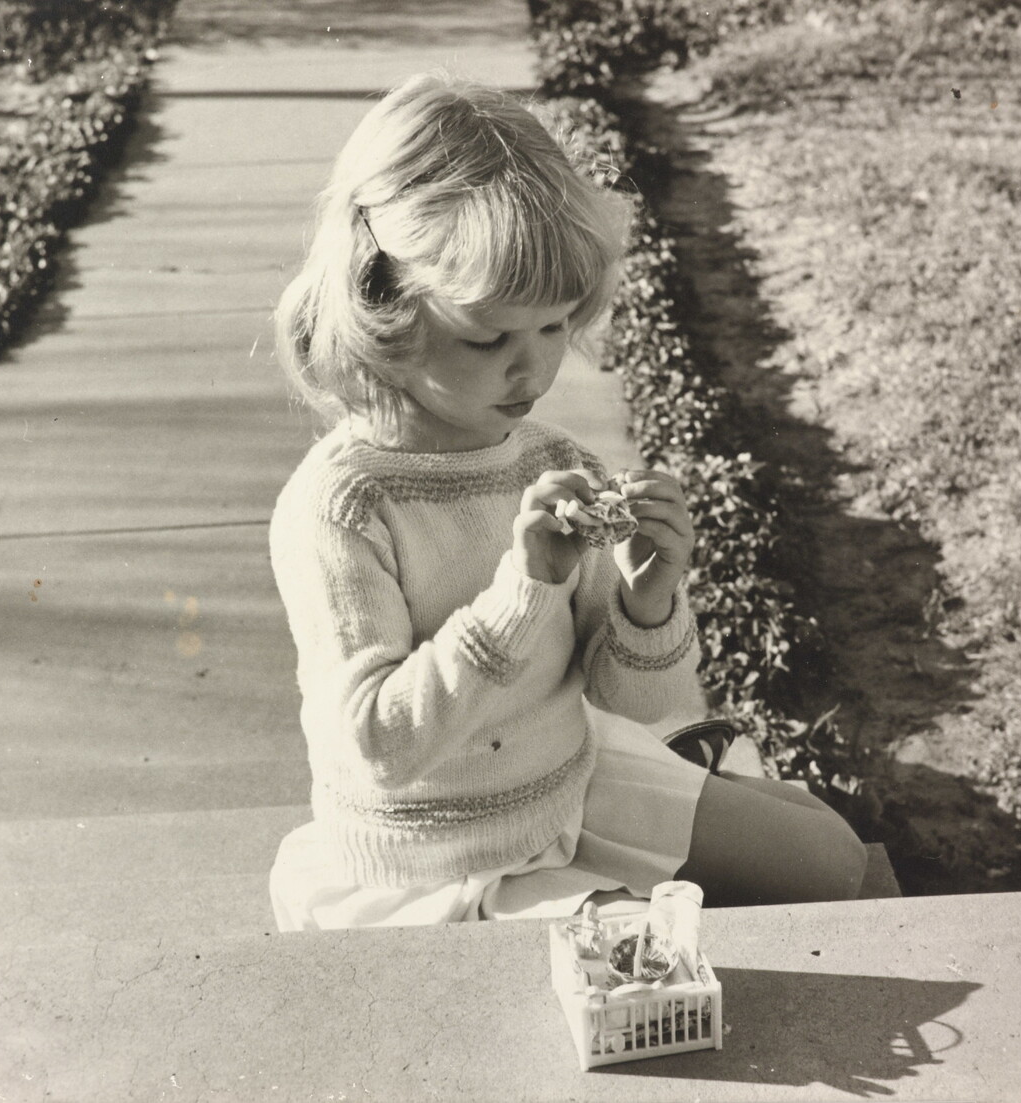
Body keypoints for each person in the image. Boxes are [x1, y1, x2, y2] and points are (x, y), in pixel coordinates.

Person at [267, 73, 867, 930]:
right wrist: (523, 593)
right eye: (489, 338)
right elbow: (380, 745)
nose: (535, 367)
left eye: (554, 327)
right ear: (384, 303)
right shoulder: (343, 506)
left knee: (834, 859)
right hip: (439, 850)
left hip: (566, 786)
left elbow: (634, 701)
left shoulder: (549, 461)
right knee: (641, 951)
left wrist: (647, 601)